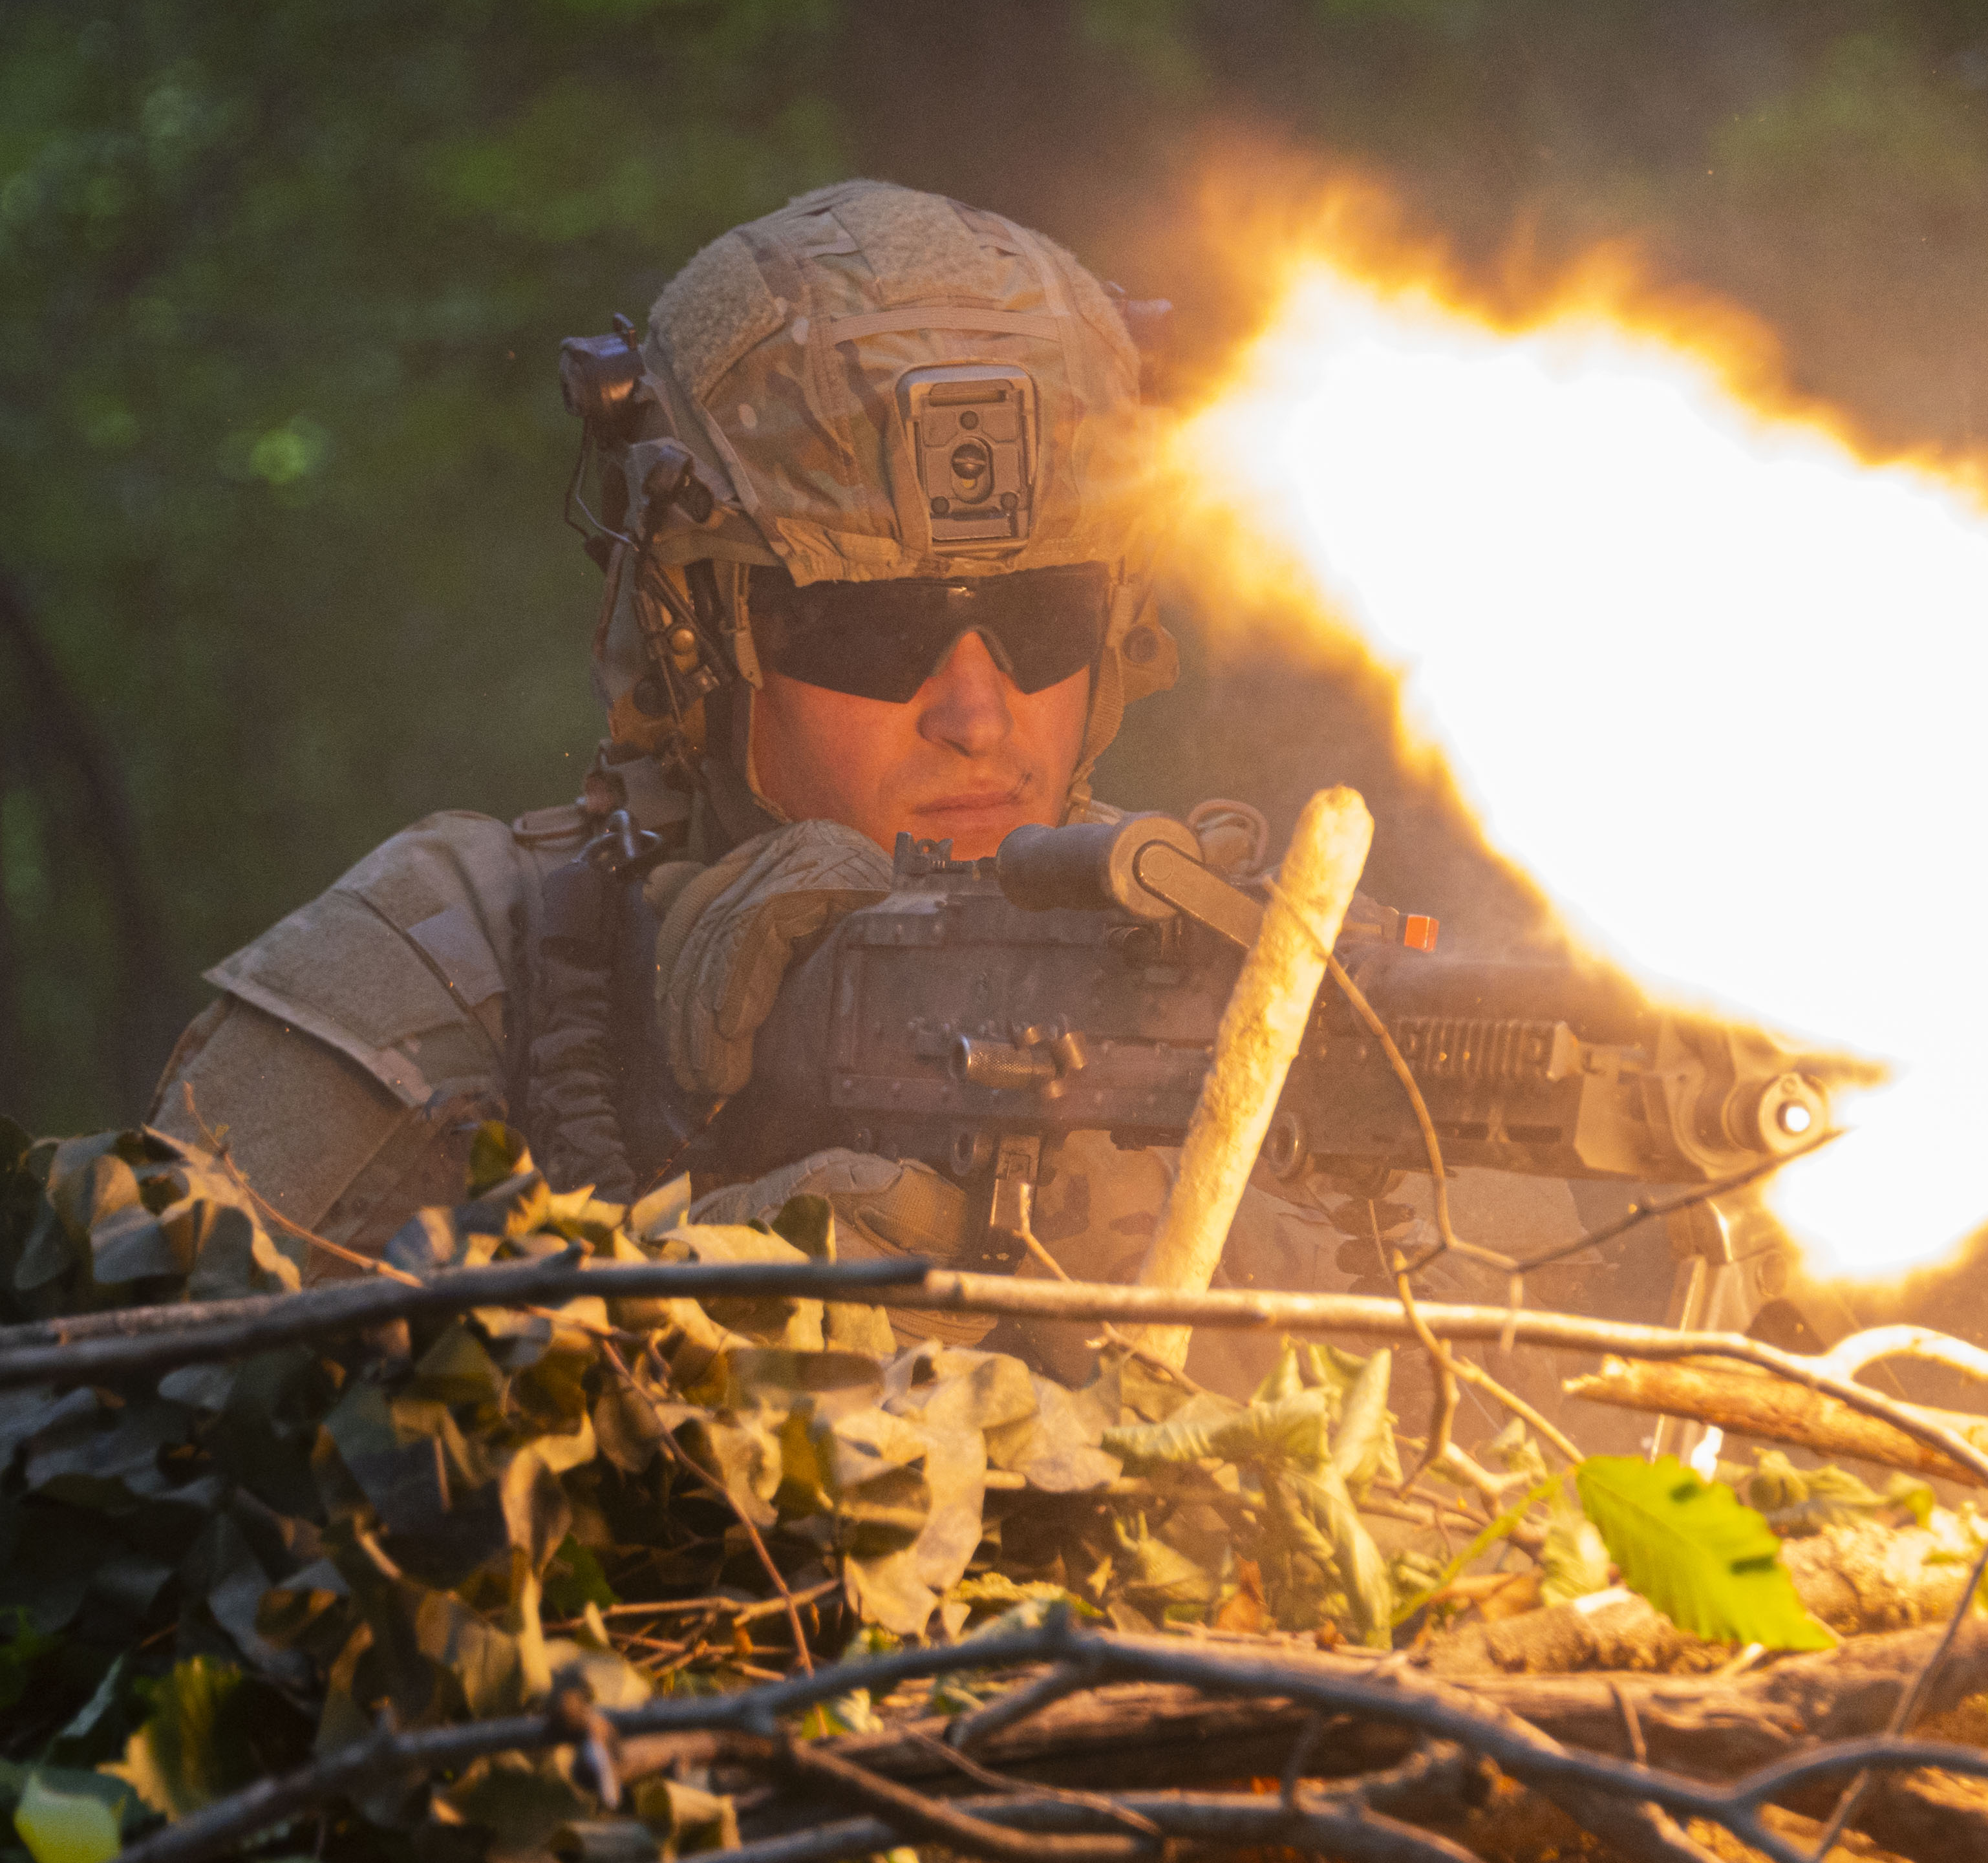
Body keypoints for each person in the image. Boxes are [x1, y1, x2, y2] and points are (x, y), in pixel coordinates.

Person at [150, 180, 1576, 1378]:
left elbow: (1550, 1441)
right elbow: (121, 1453)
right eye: (873, 631)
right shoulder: (452, 965)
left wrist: (1192, 1244)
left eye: (1041, 619)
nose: (977, 712)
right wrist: (680, 1318)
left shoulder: (1255, 982)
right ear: (696, 638)